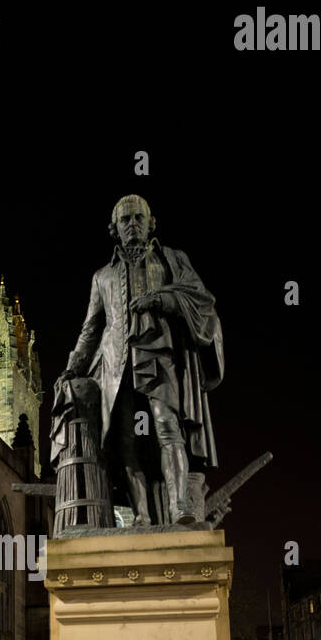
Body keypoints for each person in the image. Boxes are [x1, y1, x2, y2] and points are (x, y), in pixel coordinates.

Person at [52, 193, 223, 527]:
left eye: (138, 218)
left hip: (159, 357)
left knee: (166, 426)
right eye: (125, 220)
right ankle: (142, 515)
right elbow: (91, 328)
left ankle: (179, 508)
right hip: (117, 365)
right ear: (114, 228)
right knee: (124, 441)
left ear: (151, 223)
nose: (132, 224)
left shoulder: (172, 260)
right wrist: (73, 365)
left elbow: (200, 299)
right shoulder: (102, 277)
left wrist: (162, 300)